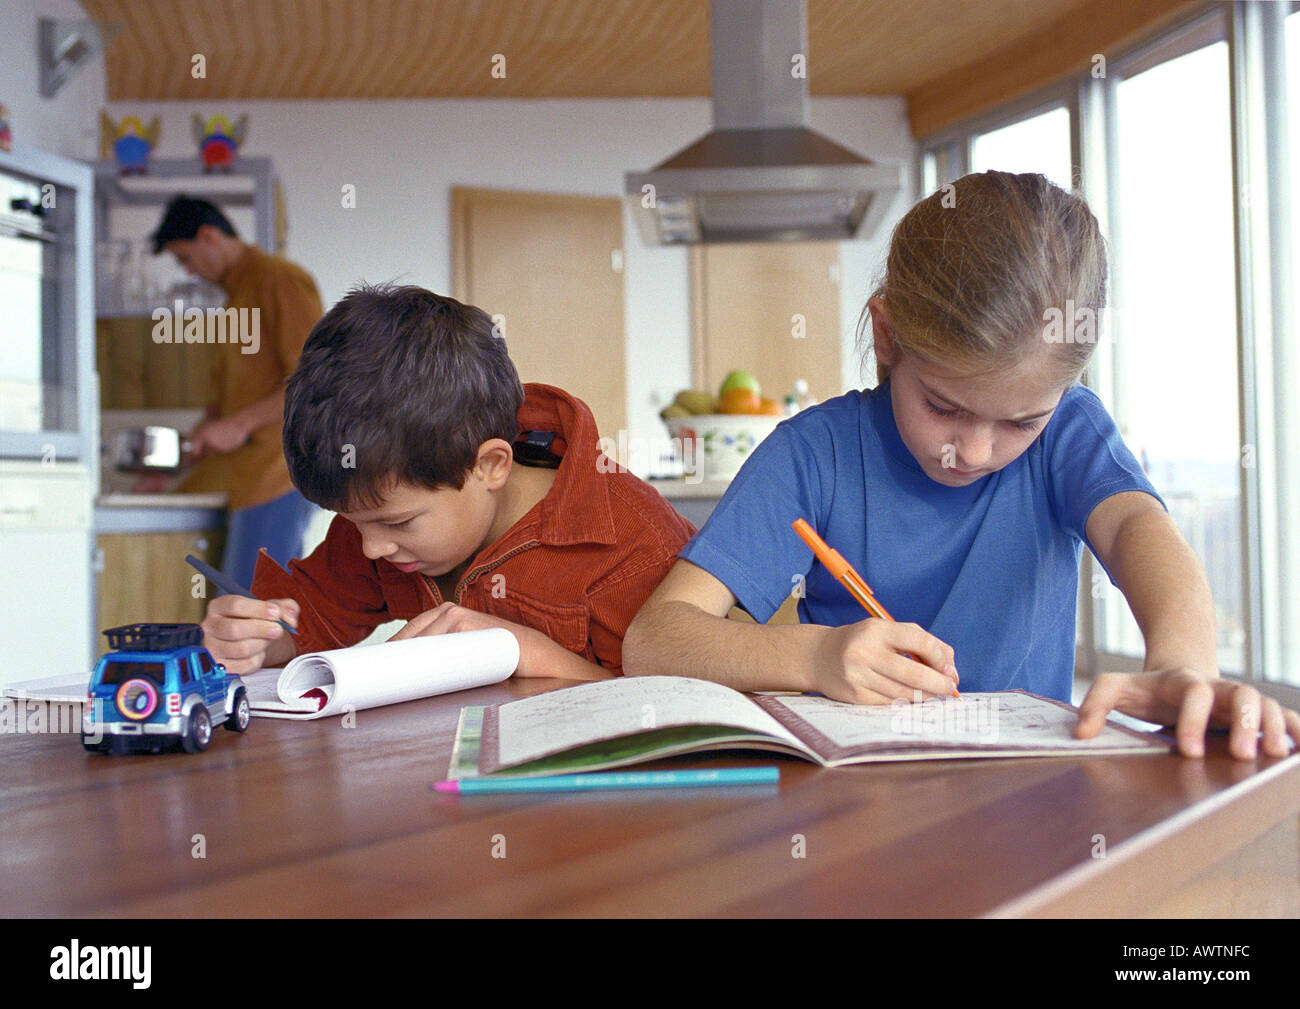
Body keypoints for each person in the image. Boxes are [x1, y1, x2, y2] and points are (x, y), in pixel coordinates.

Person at [623, 171, 1300, 761]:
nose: (973, 452)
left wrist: (1185, 665)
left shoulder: (1071, 430)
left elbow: (1134, 531)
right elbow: (655, 641)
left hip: (1025, 799)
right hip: (854, 801)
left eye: (1019, 421)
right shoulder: (813, 454)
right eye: (943, 406)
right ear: (887, 336)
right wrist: (814, 656)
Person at [199, 284, 696, 680]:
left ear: (491, 466)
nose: (370, 547)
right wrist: (258, 638)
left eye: (397, 522)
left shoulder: (634, 544)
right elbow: (311, 620)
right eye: (351, 522)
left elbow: (680, 709)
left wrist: (526, 652)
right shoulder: (385, 513)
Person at [149, 195, 323, 587]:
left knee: (253, 609)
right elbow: (222, 409)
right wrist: (174, 466)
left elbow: (314, 380)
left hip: (279, 472)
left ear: (209, 236)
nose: (189, 272)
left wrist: (241, 424)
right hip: (247, 476)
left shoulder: (280, 279)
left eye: (185, 259)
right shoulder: (234, 296)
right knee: (243, 607)